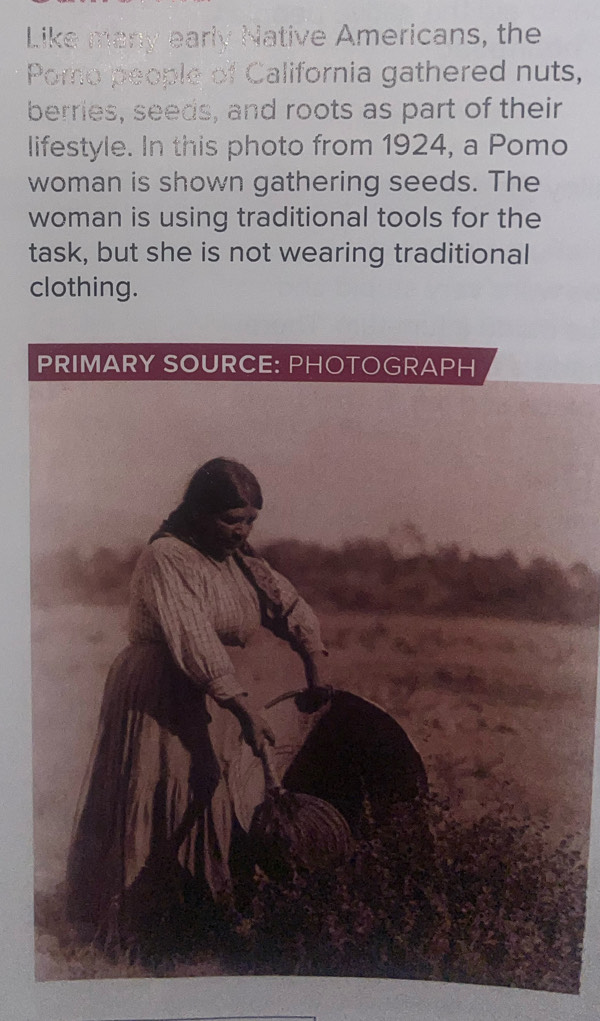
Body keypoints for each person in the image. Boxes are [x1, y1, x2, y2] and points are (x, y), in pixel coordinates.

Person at [65, 457, 327, 952]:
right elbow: (193, 635)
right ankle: (140, 925)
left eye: (250, 520)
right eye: (232, 519)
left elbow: (287, 605)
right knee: (169, 784)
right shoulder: (167, 557)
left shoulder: (241, 563)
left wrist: (314, 660)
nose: (242, 530)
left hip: (210, 690)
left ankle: (198, 913)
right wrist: (239, 703)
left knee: (209, 786)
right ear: (200, 513)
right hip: (161, 687)